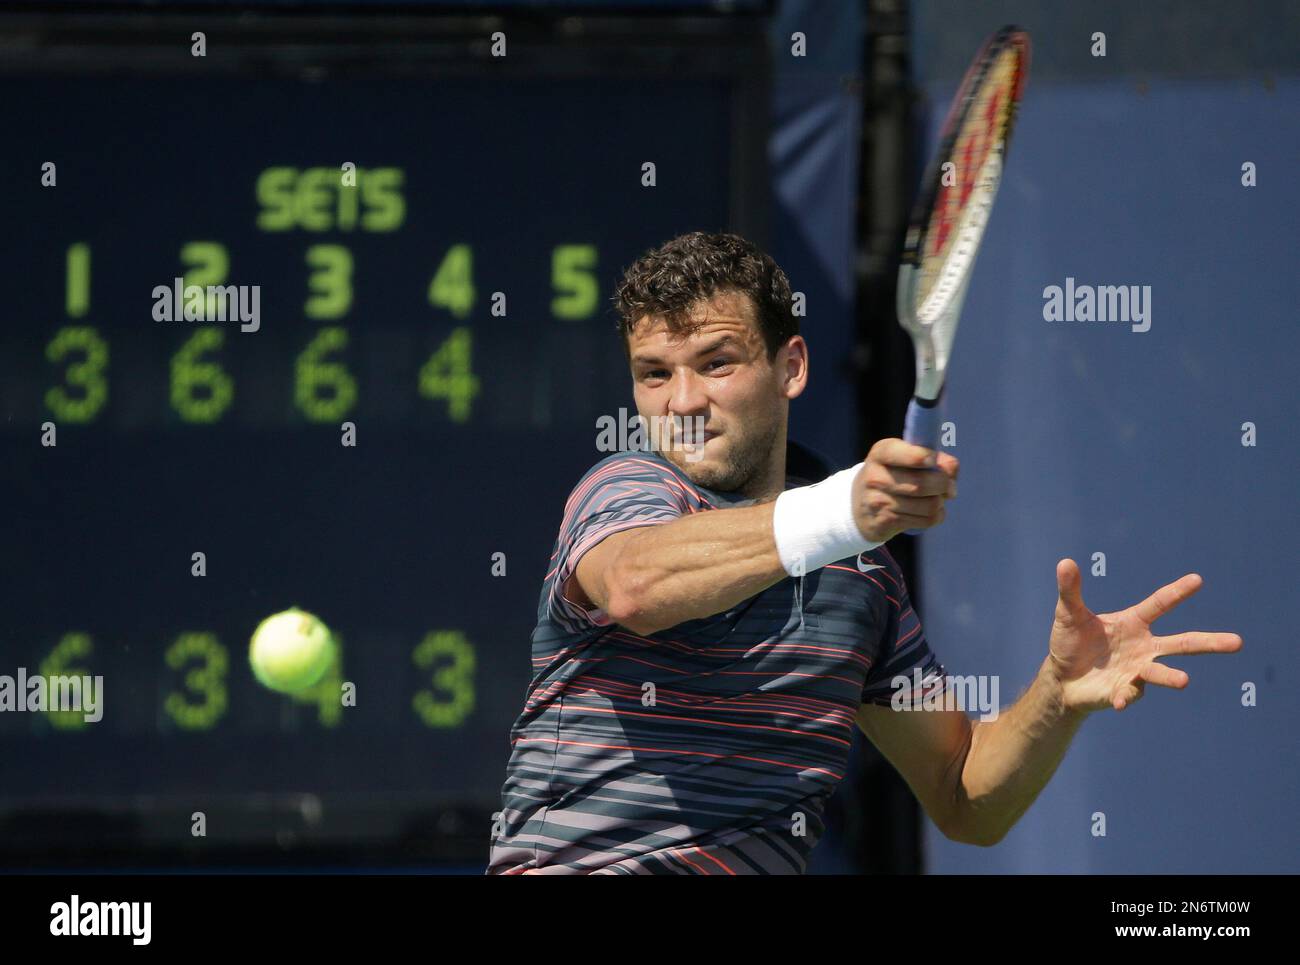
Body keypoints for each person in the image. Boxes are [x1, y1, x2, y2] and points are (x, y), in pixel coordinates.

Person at [486, 231, 1241, 874]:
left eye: (716, 362)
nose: (681, 403)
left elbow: (962, 792)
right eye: (655, 374)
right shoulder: (624, 488)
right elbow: (634, 585)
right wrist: (842, 509)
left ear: (792, 367)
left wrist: (1057, 692)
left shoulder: (862, 578)